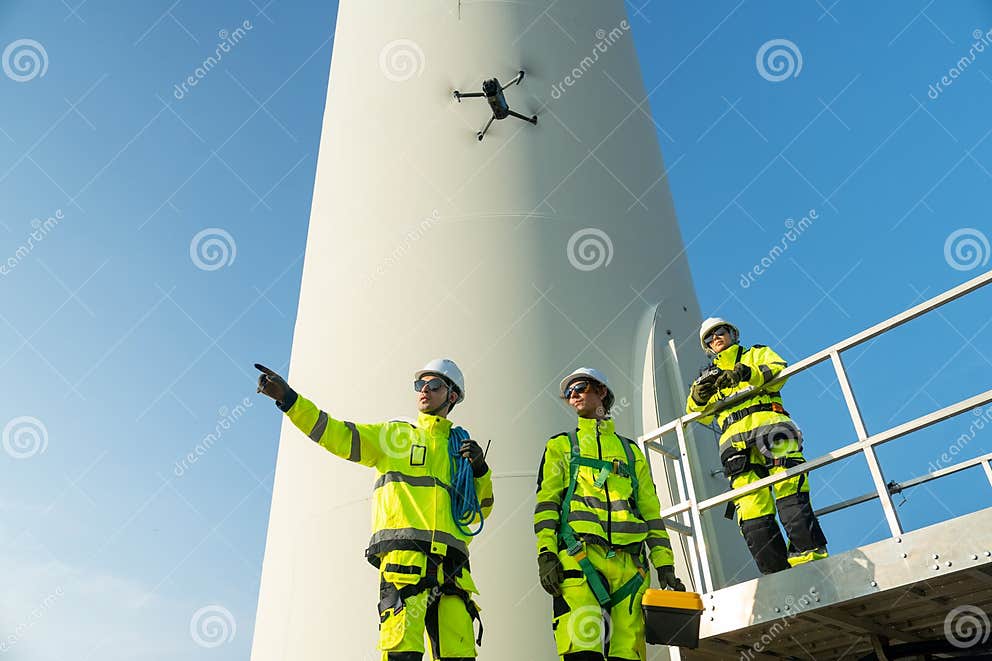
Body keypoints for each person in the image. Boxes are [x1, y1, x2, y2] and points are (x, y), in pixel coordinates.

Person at [255, 358, 493, 661]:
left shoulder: (462, 454)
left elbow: (479, 512)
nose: (424, 391)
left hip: (453, 572)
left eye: (434, 386)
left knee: (459, 656)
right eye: (420, 385)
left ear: (452, 396)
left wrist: (481, 470)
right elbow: (337, 434)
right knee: (401, 654)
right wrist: (289, 400)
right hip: (405, 564)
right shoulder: (394, 437)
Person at [534, 367, 685, 661]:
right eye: (568, 393)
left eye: (579, 387)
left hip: (632, 568)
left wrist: (665, 565)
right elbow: (547, 504)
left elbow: (651, 513)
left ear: (601, 391)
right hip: (579, 559)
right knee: (583, 650)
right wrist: (546, 554)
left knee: (627, 656)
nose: (573, 395)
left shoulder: (631, 453)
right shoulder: (561, 446)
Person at [686, 317, 828, 575]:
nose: (716, 338)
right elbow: (696, 413)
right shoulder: (706, 378)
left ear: (733, 333)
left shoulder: (756, 353)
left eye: (720, 332)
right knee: (751, 506)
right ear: (707, 347)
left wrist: (745, 372)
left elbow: (777, 370)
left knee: (789, 485)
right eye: (710, 337)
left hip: (772, 427)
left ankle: (809, 559)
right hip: (734, 446)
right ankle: (776, 573)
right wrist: (698, 395)